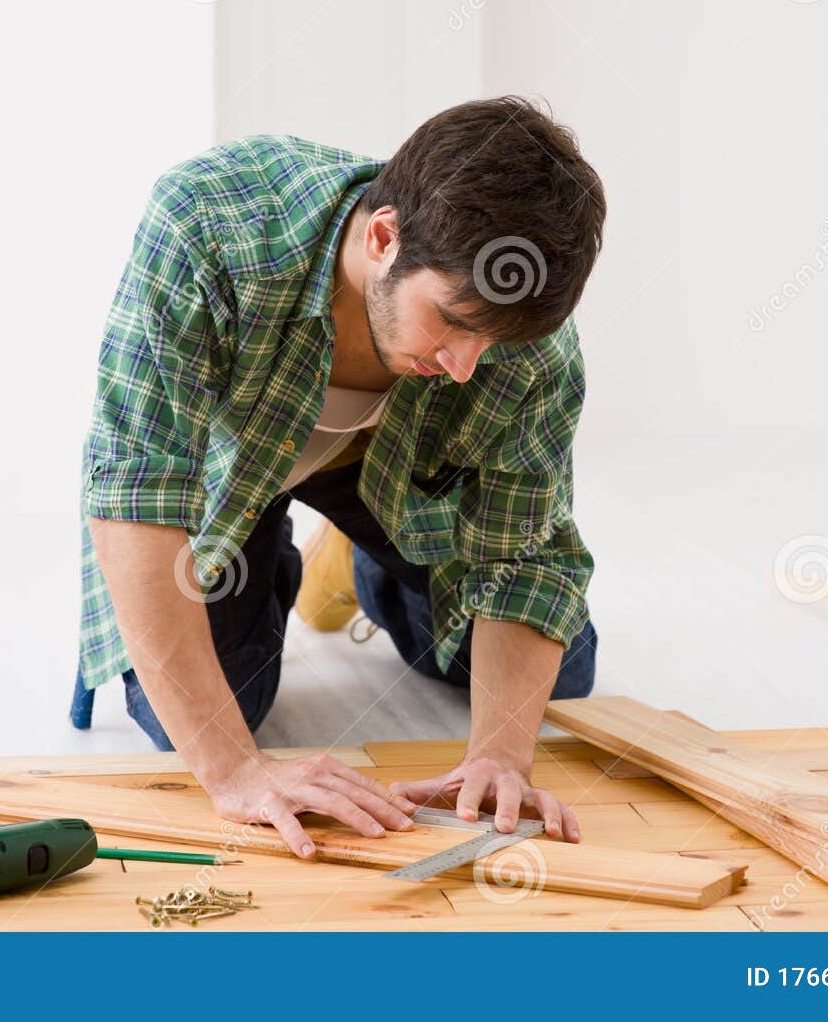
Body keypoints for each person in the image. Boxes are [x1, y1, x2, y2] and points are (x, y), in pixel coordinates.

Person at [70, 97, 606, 856]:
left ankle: (362, 572)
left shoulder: (517, 321)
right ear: (383, 237)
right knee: (192, 721)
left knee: (566, 669)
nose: (465, 366)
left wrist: (500, 757)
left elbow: (527, 562)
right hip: (227, 480)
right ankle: (270, 557)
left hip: (392, 477)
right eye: (453, 321)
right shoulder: (207, 223)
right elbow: (135, 489)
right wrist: (234, 770)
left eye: (491, 340)